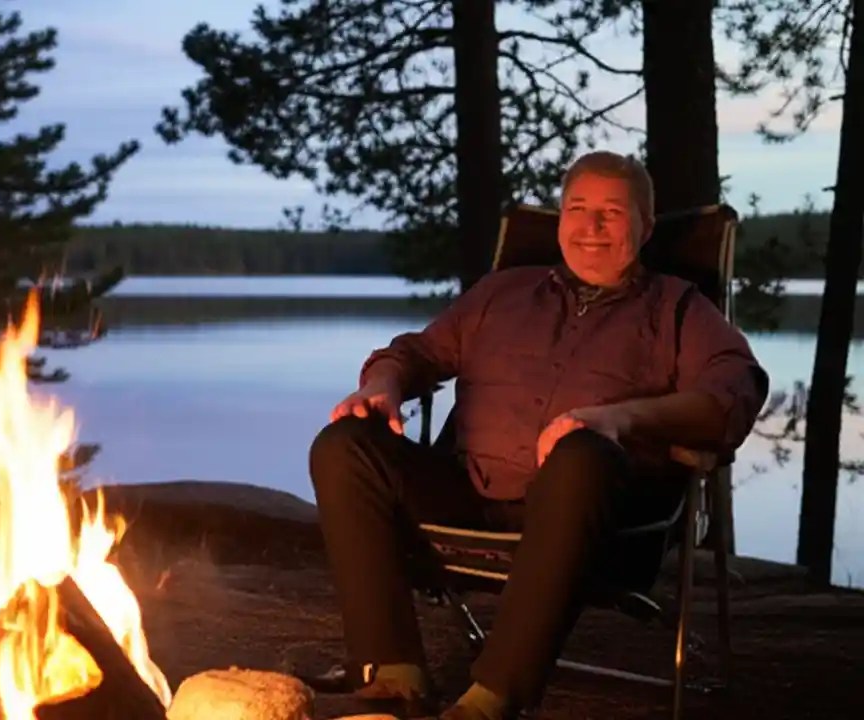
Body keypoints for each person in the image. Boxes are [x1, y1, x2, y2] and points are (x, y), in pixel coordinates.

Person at [306, 151, 769, 719]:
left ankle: (492, 699)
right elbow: (416, 352)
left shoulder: (678, 310)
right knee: (343, 444)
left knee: (580, 453)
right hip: (466, 495)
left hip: (596, 523)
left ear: (645, 227)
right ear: (559, 219)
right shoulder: (500, 294)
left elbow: (734, 391)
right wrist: (383, 385)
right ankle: (392, 676)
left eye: (611, 212)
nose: (591, 226)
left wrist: (619, 419)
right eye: (577, 209)